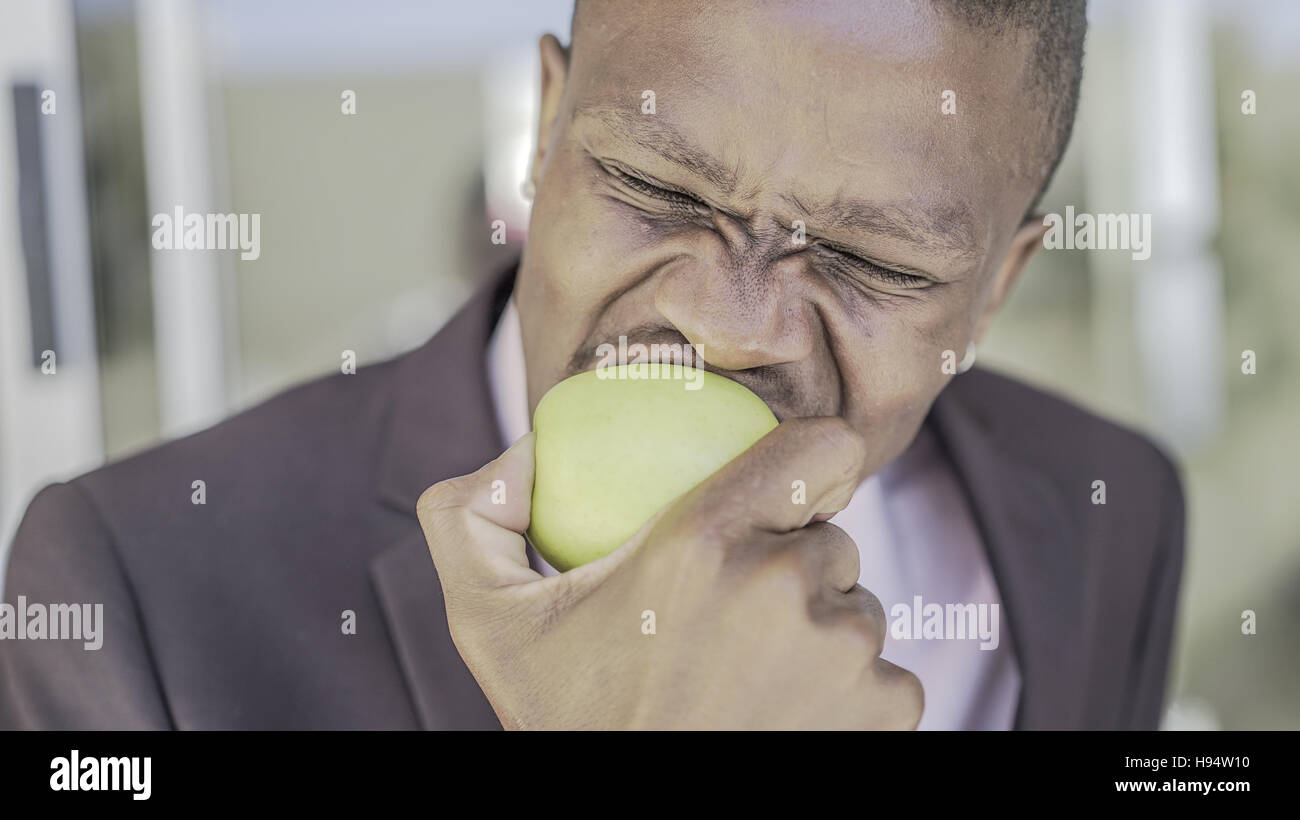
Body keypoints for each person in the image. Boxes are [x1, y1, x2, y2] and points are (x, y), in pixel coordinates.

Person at [0, 0, 1183, 730]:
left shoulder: (1112, 509)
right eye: (660, 190)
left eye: (871, 259)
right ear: (544, 132)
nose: (731, 328)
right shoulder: (132, 594)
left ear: (996, 290)